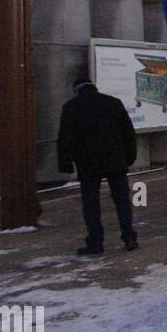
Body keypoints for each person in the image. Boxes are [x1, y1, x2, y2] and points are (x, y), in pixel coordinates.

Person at [56, 76, 139, 256]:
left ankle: (96, 242)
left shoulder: (71, 107)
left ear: (76, 90)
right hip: (115, 160)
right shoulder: (113, 103)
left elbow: (65, 138)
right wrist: (130, 157)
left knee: (91, 204)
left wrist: (65, 163)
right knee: (122, 201)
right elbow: (128, 132)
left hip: (87, 163)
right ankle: (129, 237)